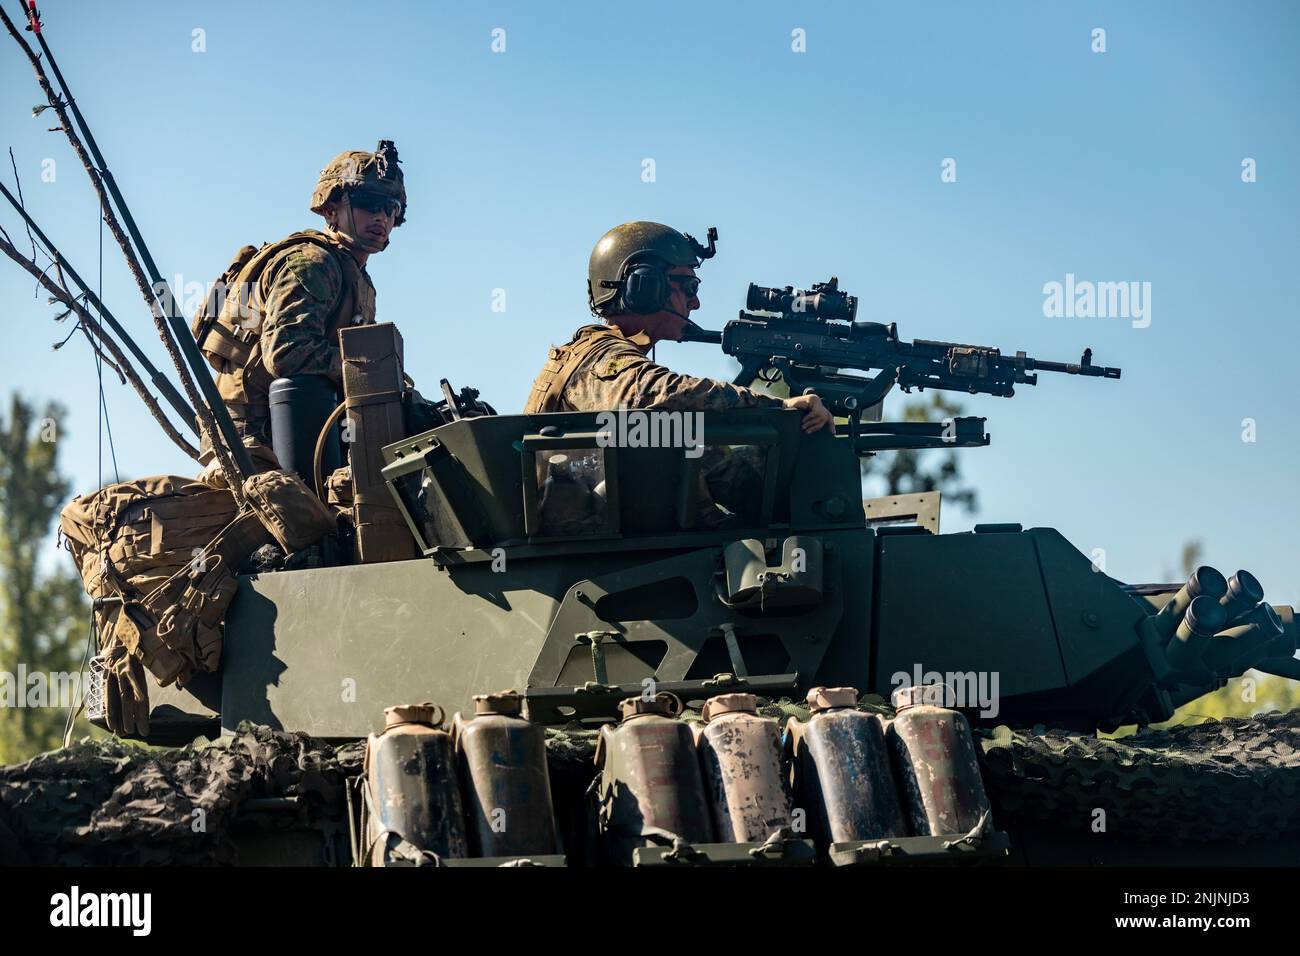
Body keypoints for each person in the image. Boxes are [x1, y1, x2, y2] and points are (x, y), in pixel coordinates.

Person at [525, 221, 832, 522]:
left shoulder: (601, 356)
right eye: (688, 287)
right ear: (643, 285)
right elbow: (659, 394)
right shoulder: (601, 359)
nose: (695, 303)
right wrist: (777, 408)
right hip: (604, 544)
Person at [193, 140, 407, 479]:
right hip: (253, 436)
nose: (382, 216)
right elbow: (286, 351)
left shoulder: (358, 280)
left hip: (305, 431)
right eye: (368, 203)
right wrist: (369, 372)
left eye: (392, 207)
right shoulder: (313, 263)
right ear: (330, 209)